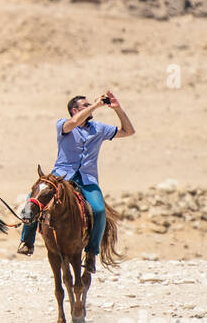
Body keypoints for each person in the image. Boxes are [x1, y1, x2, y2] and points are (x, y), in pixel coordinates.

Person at [17, 90, 135, 265]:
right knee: (33, 199)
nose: (90, 108)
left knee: (99, 210)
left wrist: (117, 108)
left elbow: (128, 131)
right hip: (61, 176)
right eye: (85, 106)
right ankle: (27, 240)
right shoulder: (63, 124)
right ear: (74, 110)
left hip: (88, 178)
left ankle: (92, 252)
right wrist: (96, 105)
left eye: (89, 106)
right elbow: (74, 122)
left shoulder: (99, 129)